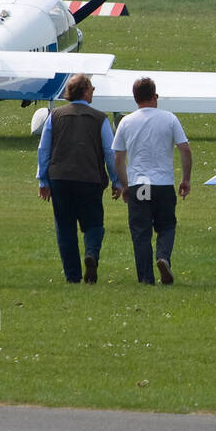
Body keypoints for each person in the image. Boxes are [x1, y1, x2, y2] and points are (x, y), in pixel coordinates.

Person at [37, 74, 122, 284]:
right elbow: (110, 154)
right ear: (84, 91)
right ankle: (91, 253)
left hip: (60, 179)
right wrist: (116, 181)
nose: (93, 91)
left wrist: (43, 180)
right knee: (94, 224)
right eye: (92, 88)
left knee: (65, 227)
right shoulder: (99, 118)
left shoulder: (54, 116)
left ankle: (72, 276)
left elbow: (44, 150)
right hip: (89, 178)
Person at [113, 77, 191, 285]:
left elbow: (118, 157)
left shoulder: (126, 122)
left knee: (141, 231)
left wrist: (124, 184)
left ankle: (146, 279)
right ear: (155, 96)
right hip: (163, 184)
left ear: (135, 98)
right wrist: (185, 179)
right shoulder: (169, 119)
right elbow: (184, 149)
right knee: (166, 225)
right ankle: (163, 256)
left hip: (141, 184)